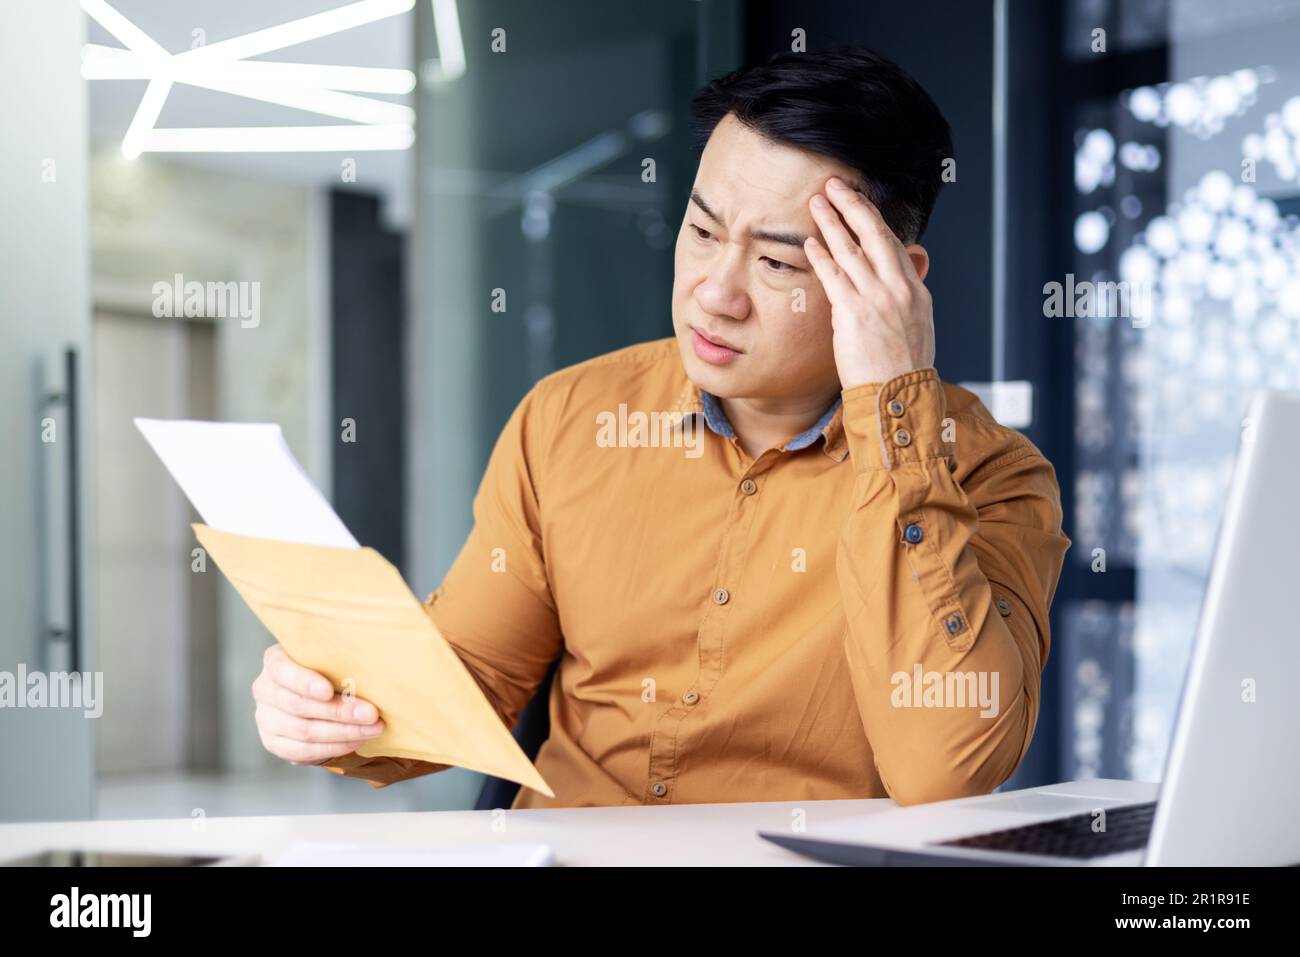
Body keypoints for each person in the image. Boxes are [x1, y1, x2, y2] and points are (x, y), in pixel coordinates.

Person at [252, 47, 1070, 808]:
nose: (715, 292)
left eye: (777, 263)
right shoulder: (570, 418)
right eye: (703, 231)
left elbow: (946, 769)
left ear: (891, 281)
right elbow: (462, 686)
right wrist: (332, 705)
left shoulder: (991, 476)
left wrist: (894, 407)